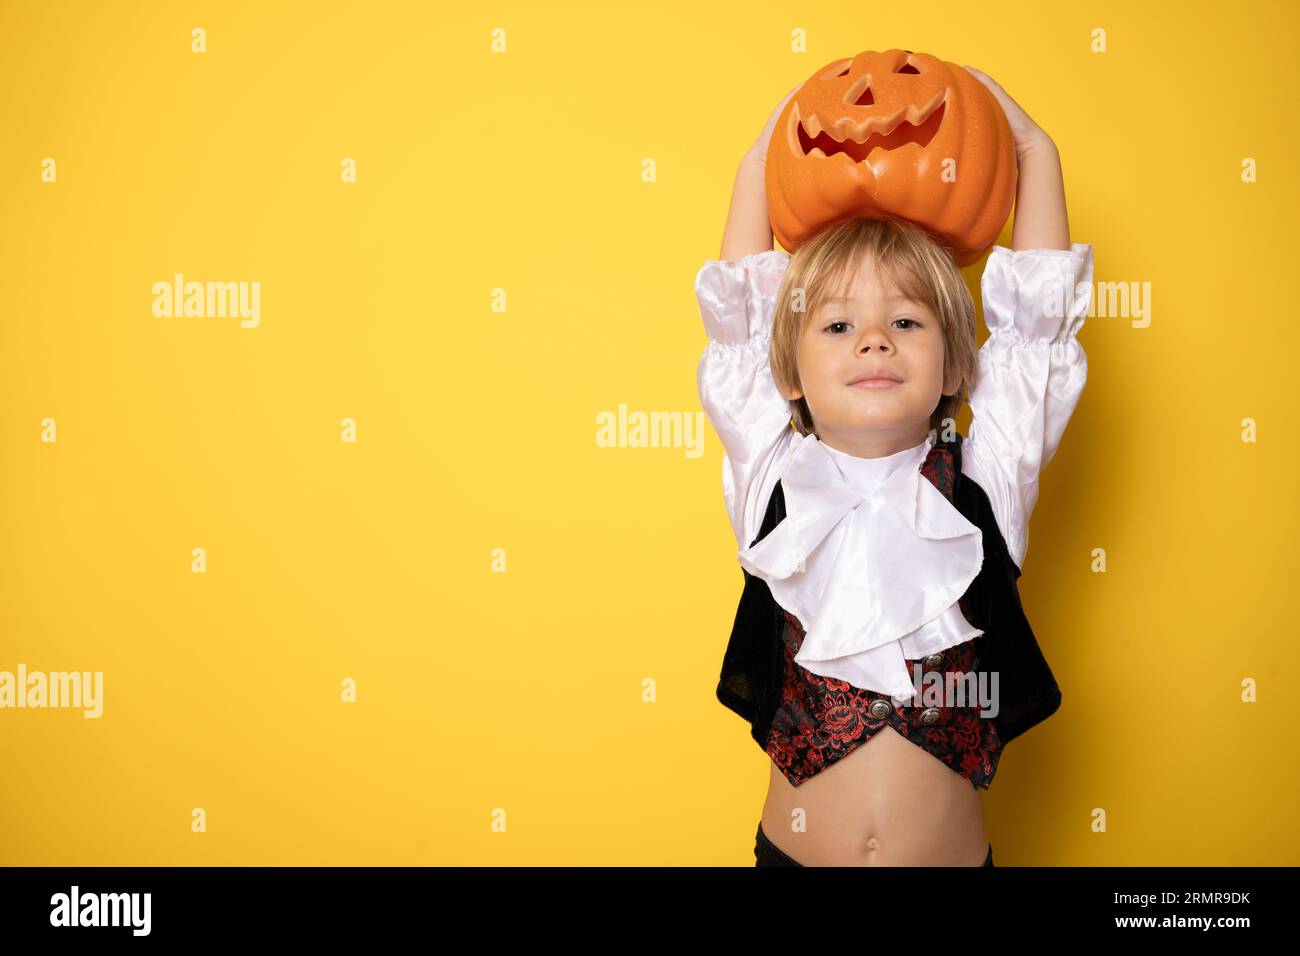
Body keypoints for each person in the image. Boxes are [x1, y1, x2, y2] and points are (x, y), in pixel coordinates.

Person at [695, 65, 1094, 866]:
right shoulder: (774, 480)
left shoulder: (983, 487)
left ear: (955, 366)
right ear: (786, 373)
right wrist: (764, 160)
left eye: (907, 322)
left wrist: (1032, 150)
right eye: (837, 326)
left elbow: (1036, 340)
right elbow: (736, 324)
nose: (874, 340)